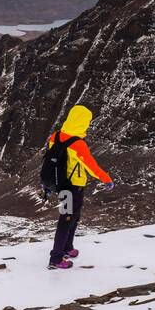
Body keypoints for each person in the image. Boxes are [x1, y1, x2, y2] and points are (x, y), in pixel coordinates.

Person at [44, 105, 114, 270]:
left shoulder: (56, 136)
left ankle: (67, 247)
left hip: (63, 185)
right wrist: (107, 179)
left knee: (74, 216)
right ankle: (56, 258)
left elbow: (48, 160)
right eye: (88, 121)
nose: (89, 124)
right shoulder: (77, 144)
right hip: (72, 187)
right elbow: (91, 166)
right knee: (66, 219)